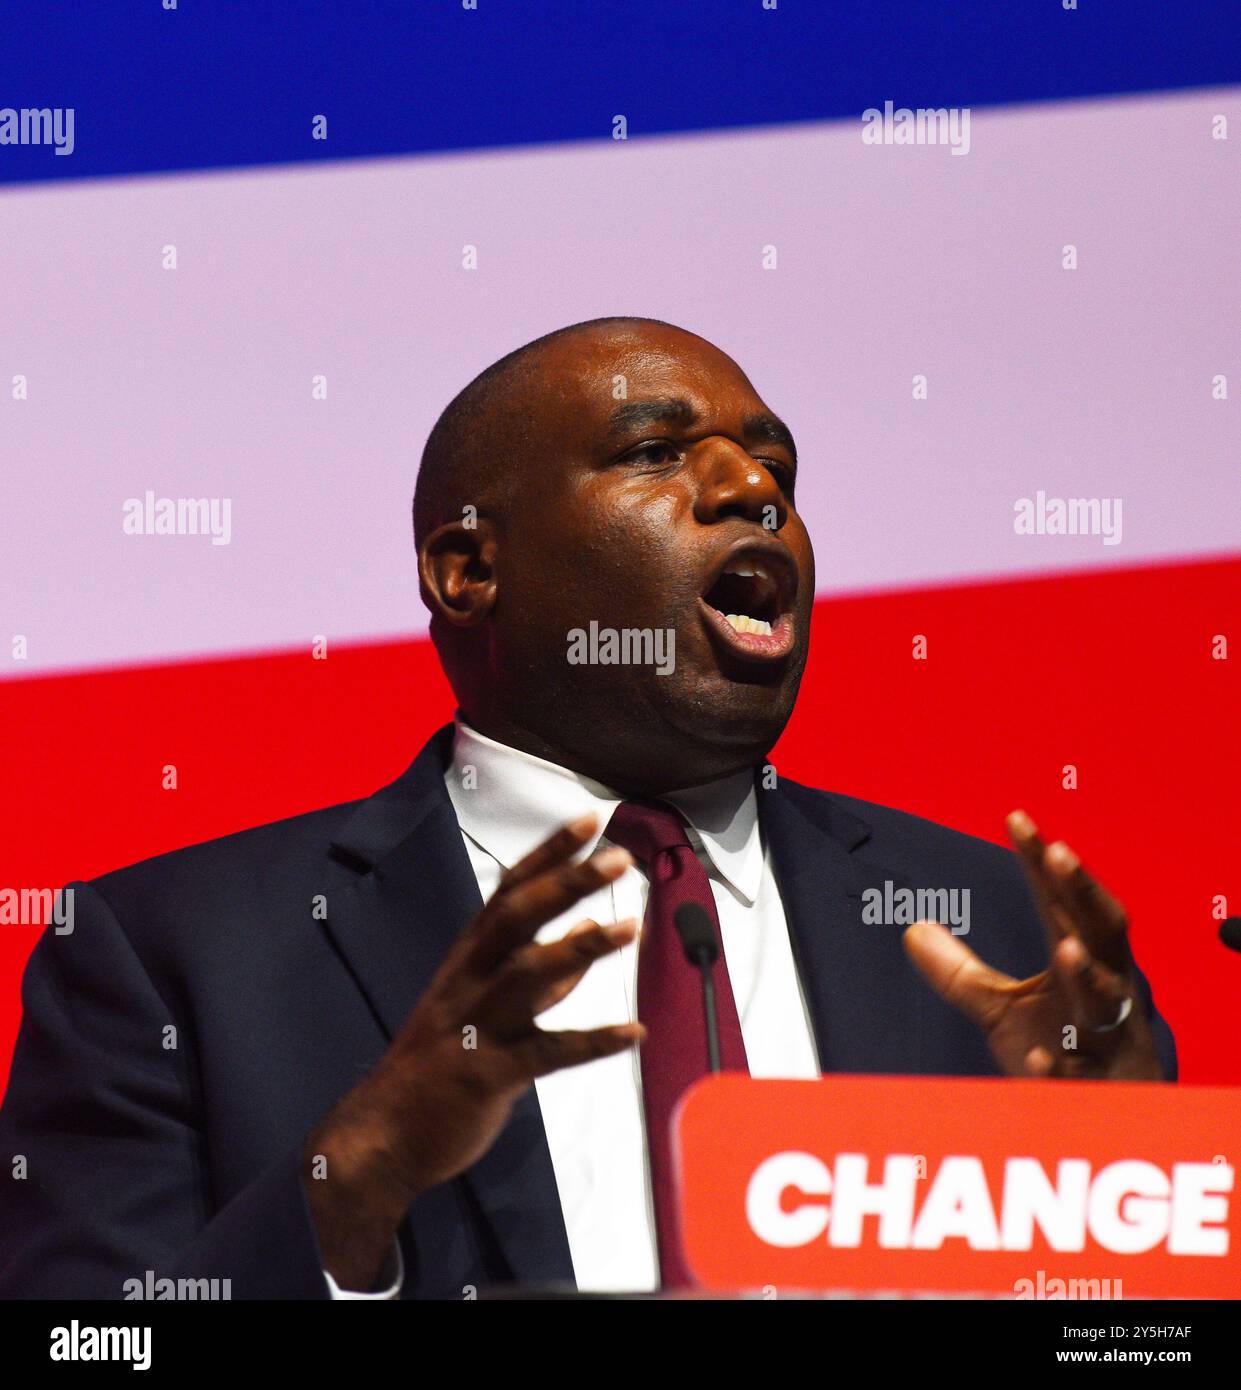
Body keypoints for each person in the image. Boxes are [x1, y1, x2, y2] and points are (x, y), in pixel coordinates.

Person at [0, 318, 1174, 1299]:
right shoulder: (175, 957)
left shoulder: (995, 934)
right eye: (656, 452)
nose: (751, 489)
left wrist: (1128, 1193)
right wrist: (356, 1171)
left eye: (776, 467)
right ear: (469, 570)